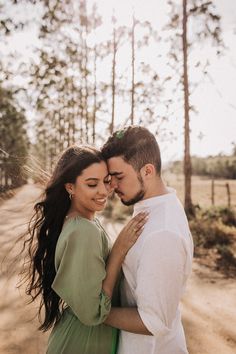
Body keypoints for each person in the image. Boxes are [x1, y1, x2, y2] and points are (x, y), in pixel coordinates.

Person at [22, 145, 148, 354]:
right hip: (83, 342)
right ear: (70, 187)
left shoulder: (80, 222)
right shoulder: (82, 230)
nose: (104, 191)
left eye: (106, 181)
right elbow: (92, 313)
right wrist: (117, 252)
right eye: (92, 184)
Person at [101, 126, 194, 354]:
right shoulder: (156, 206)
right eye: (110, 178)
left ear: (148, 171)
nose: (112, 186)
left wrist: (96, 313)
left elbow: (155, 322)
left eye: (119, 177)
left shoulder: (163, 233)